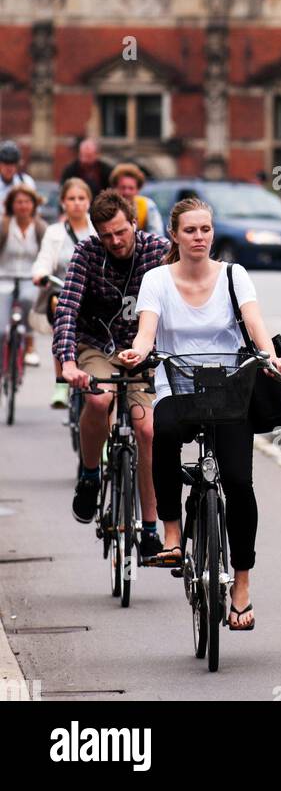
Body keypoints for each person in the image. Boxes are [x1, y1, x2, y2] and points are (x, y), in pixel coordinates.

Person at [119, 196, 281, 628]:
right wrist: (138, 352)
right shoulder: (157, 279)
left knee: (239, 482)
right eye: (190, 230)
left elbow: (254, 322)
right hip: (176, 384)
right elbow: (146, 331)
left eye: (206, 229)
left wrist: (269, 355)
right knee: (163, 432)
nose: (199, 237)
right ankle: (172, 533)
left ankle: (242, 584)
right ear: (174, 235)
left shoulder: (234, 274)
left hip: (229, 388)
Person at [52, 189, 169, 561]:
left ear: (134, 222)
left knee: (147, 430)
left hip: (142, 352)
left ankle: (149, 527)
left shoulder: (158, 251)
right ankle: (89, 475)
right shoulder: (86, 254)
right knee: (100, 398)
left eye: (121, 232)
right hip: (98, 346)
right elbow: (67, 310)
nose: (115, 241)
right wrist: (68, 362)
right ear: (97, 234)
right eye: (107, 236)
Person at [31, 177, 95, 408]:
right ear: (63, 202)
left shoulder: (97, 228)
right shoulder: (54, 232)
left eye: (81, 198)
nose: (77, 203)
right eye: (71, 198)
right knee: (60, 313)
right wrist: (40, 273)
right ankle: (61, 381)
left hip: (94, 291)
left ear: (89, 201)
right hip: (63, 290)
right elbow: (44, 259)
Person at [0, 185, 48, 367]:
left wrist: (44, 274)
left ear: (34, 205)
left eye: (27, 202)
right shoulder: (4, 225)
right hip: (4, 278)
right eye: (19, 202)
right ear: (11, 205)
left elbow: (47, 254)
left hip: (30, 278)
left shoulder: (40, 227)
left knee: (27, 299)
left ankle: (29, 344)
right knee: (1, 328)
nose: (23, 206)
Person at [108, 163, 164, 237]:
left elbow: (158, 234)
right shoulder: (107, 207)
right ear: (115, 188)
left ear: (138, 190)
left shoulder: (147, 205)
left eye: (131, 188)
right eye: (123, 187)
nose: (126, 192)